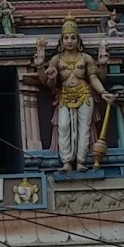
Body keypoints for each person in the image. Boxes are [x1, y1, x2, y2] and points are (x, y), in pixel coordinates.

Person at [33, 19, 111, 172]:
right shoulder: (56, 59)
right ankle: (67, 162)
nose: (69, 41)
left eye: (73, 37)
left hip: (84, 95)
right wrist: (41, 68)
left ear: (78, 40)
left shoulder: (86, 58)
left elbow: (95, 78)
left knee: (84, 128)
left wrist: (103, 91)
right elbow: (48, 84)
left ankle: (81, 161)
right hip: (65, 96)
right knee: (63, 127)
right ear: (61, 41)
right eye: (66, 38)